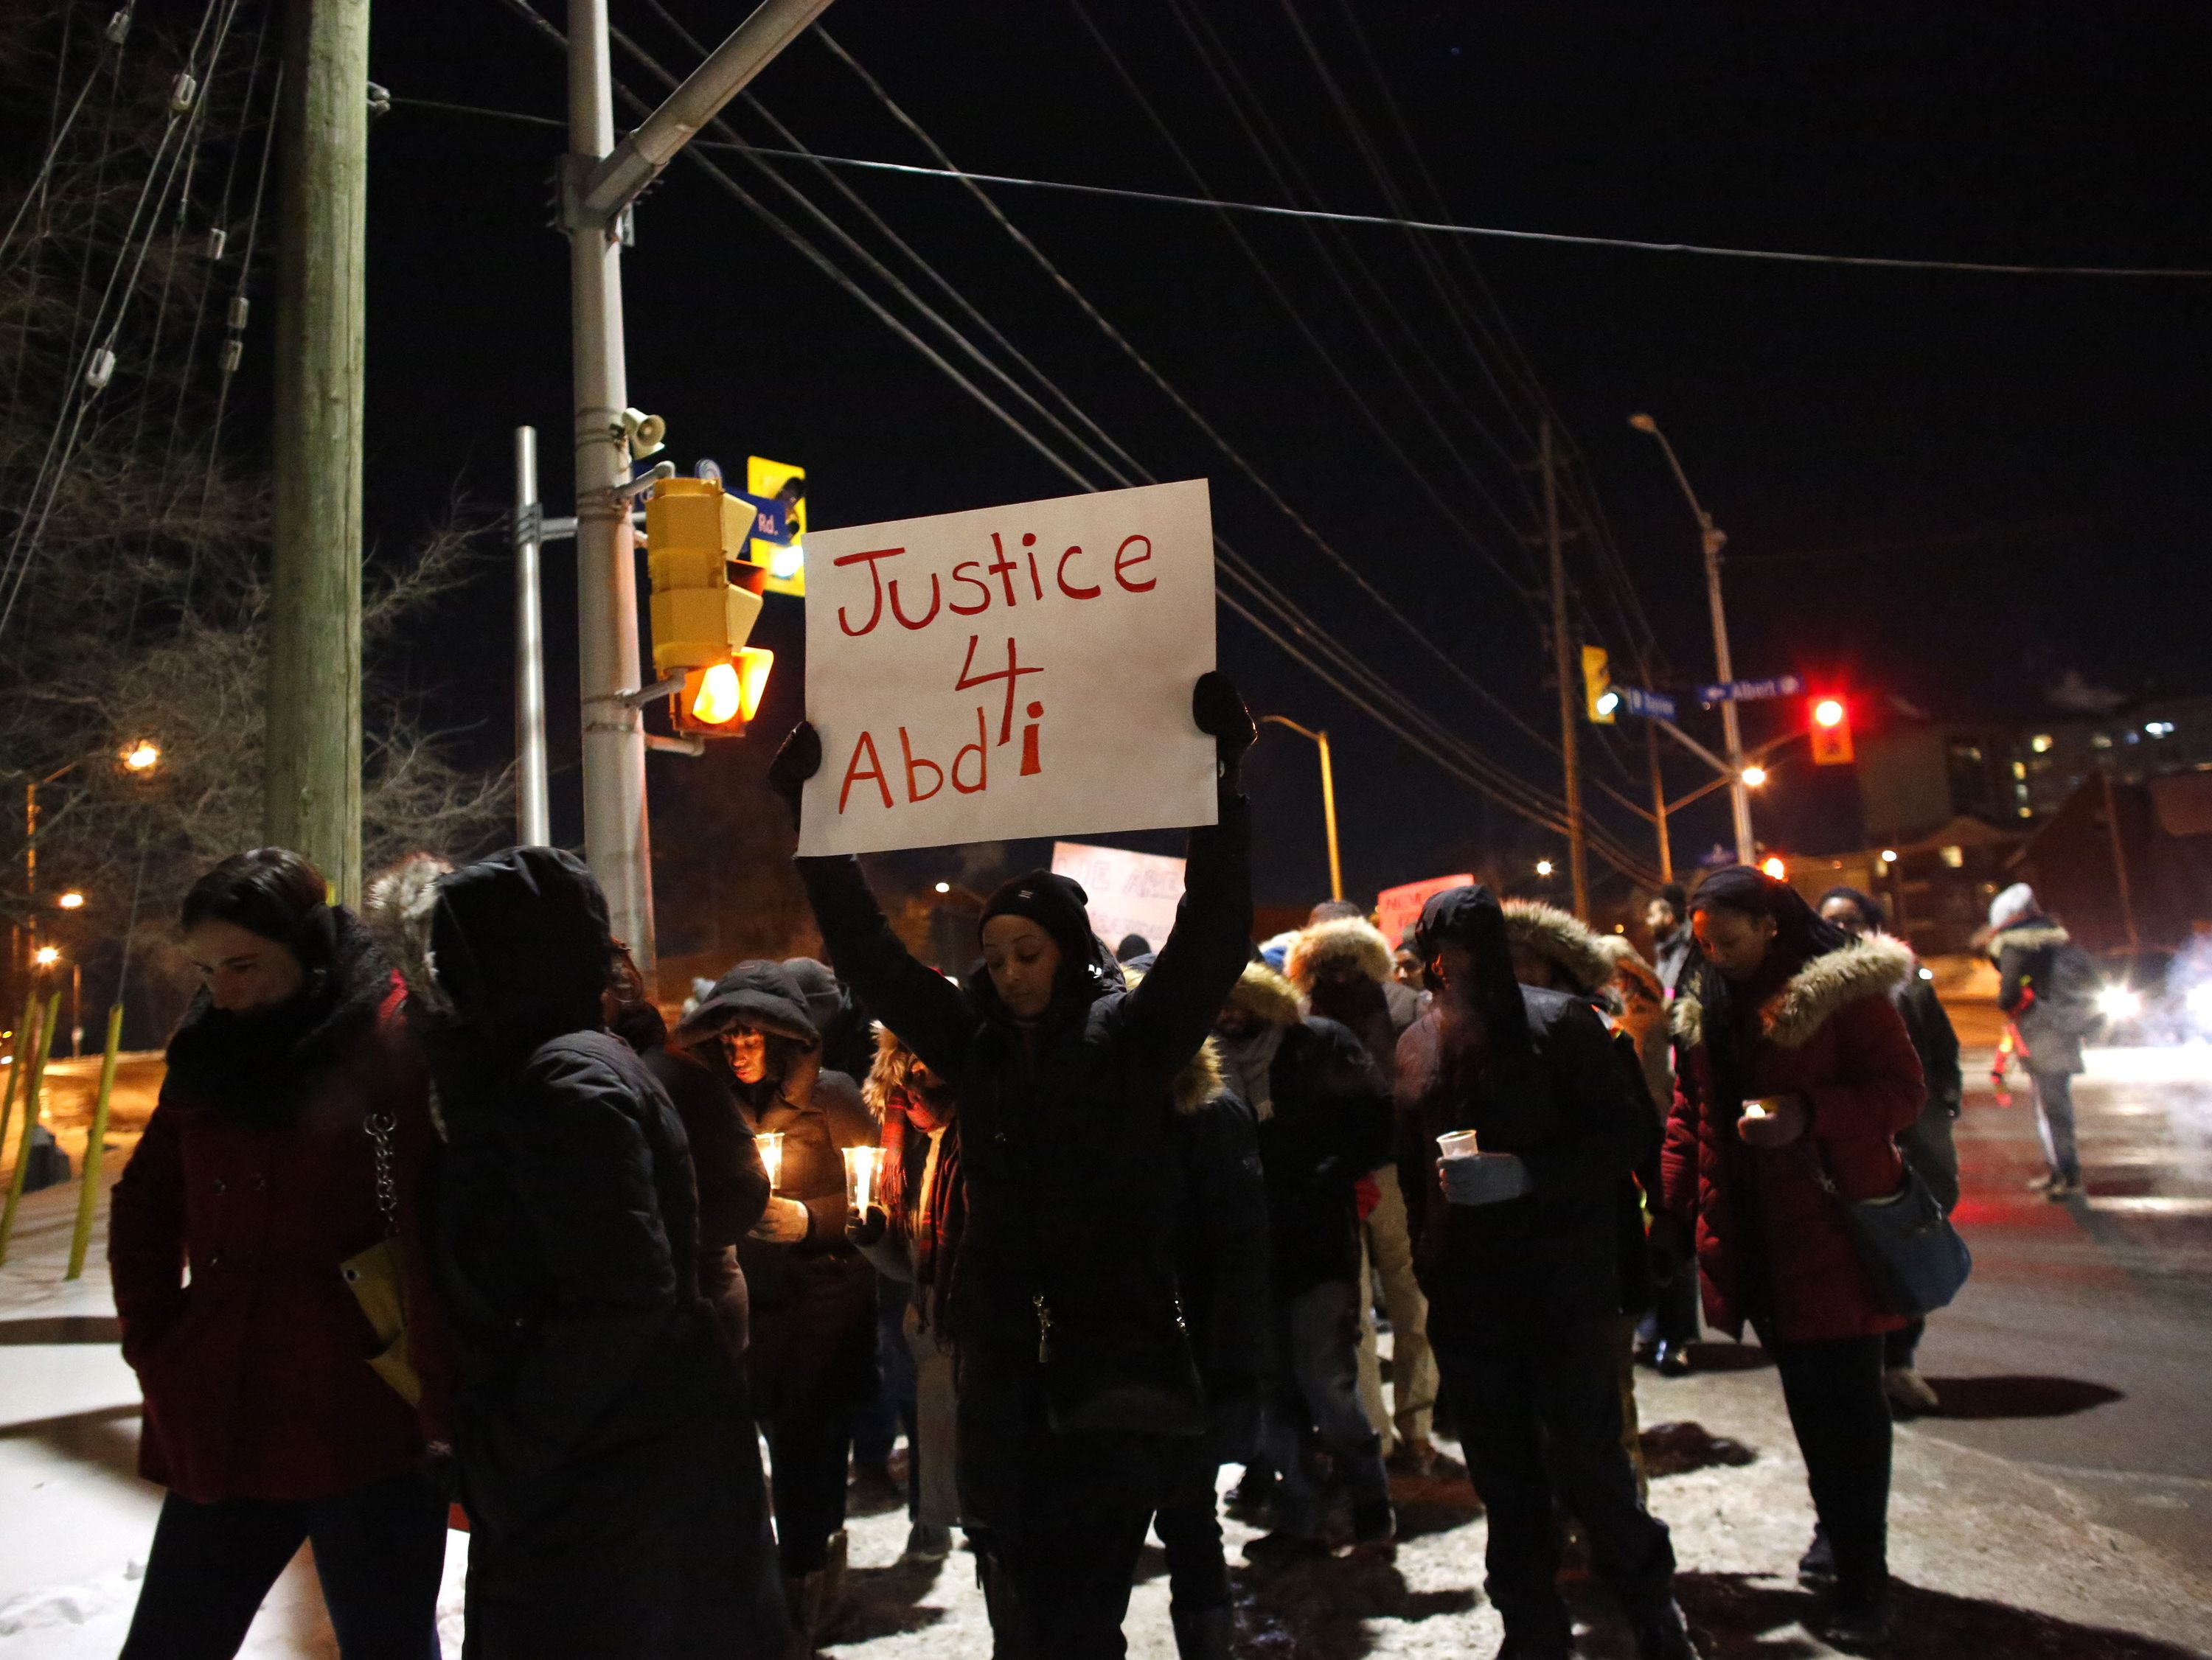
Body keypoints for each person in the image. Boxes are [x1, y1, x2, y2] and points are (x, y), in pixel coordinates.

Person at [769, 672, 1254, 1660]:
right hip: (1002, 1391)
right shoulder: (975, 1048)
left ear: (1069, 952)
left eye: (1027, 951)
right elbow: (871, 960)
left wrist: (1222, 781)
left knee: (1079, 1624)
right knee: (1024, 1620)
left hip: (1108, 1385)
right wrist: (811, 819)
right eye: (994, 954)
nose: (1010, 970)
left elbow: (1211, 940)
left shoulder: (1130, 1043)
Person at [387, 846, 785, 1658]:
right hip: (615, 1469)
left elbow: (617, 1298)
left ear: (505, 958)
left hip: (606, 1484)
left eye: (457, 954)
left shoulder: (566, 1082)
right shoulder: (562, 1066)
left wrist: (506, 1451)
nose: (444, 977)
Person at [109, 848, 450, 1660]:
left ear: (309, 947)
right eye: (206, 969)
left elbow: (449, 1218)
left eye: (244, 965)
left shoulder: (394, 1038)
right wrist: (155, 1338)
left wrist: (445, 1393)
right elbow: (146, 1198)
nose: (222, 991)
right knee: (168, 1642)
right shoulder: (206, 1053)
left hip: (370, 1417)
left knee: (389, 1643)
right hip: (228, 1414)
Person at [1397, 885, 1695, 1660]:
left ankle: (1652, 1611)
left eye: (1459, 950)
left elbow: (1627, 1133)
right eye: (1438, 951)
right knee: (1504, 1478)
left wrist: (1528, 1172)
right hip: (1471, 1297)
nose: (1447, 966)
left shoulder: (1559, 1023)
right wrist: (1431, 1254)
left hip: (1562, 1289)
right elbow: (1408, 1163)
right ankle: (1531, 1628)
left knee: (1590, 1465)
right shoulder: (1420, 1041)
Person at [1658, 865, 1924, 1648]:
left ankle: (1865, 1574)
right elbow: (1689, 1115)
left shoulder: (1841, 992)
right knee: (1811, 1402)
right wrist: (1672, 1217)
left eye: (1730, 940)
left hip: (1838, 1228)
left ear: (1771, 926)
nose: (1717, 954)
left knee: (1851, 1405)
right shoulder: (1705, 1001)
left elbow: (1902, 1090)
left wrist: (1809, 1113)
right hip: (1755, 1238)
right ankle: (1836, 1528)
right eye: (1705, 942)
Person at [672, 960, 878, 1649]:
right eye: (727, 1038)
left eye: (753, 1037)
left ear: (787, 1037)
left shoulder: (837, 1098)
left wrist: (808, 1220)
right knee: (740, 1463)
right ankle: (764, 1595)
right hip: (744, 1309)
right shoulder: (704, 1106)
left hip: (824, 1314)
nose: (738, 1050)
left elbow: (880, 1199)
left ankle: (809, 1595)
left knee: (808, 1460)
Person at [1216, 959, 1397, 1566]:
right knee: (1272, 1392)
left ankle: (1371, 1499)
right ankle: (1300, 1520)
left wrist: (1327, 1175)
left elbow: (1376, 1120)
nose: (1229, 1013)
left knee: (1327, 1384)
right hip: (1246, 1253)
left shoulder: (1317, 1044)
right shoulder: (1203, 1061)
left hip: (1315, 1242)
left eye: (1239, 999)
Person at [1284, 913, 1440, 1473]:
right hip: (1351, 1182)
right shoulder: (1302, 1016)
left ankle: (1401, 1430)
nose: (1341, 974)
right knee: (1374, 1310)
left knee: (1397, 1305)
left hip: (1381, 1176)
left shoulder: (1398, 1007)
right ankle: (1391, 1432)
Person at [1818, 886, 1964, 1417]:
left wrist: (1945, 1100)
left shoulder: (1905, 977)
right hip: (1854, 1142)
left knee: (1913, 1248)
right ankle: (1864, 1366)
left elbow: (1941, 1044)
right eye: (1831, 921)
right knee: (1858, 1257)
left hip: (1917, 1139)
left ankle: (1900, 1362)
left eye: (1852, 920)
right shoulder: (1816, 987)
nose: (1843, 931)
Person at [605, 944, 772, 1360]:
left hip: (690, 1309)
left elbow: (746, 1189)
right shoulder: (662, 1066)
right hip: (703, 1305)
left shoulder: (657, 1075)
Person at [858, 1022, 967, 1564]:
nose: (919, 1069)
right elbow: (912, 1264)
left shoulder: (978, 1130)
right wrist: (875, 1239)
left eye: (929, 1055)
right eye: (909, 1057)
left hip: (983, 1335)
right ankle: (931, 1517)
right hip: (929, 1329)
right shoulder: (909, 1128)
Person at [1599, 936, 1698, 1378]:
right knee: (1638, 1234)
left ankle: (1672, 1336)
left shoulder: (1651, 1005)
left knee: (1665, 1230)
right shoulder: (1602, 1004)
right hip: (1626, 1132)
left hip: (1654, 1129)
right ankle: (1653, 1329)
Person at [1986, 882, 2090, 1200]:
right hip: (2062, 1030)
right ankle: (2061, 1171)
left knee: (2049, 1109)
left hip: (2039, 1033)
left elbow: (2008, 995)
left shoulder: (2014, 945)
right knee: (2057, 1106)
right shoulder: (2056, 941)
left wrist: (2009, 1001)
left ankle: (2065, 1176)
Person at [1646, 884, 1692, 995]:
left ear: (1669, 918)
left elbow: (1680, 993)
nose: (1648, 921)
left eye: (1653, 915)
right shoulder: (1666, 950)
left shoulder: (1688, 948)